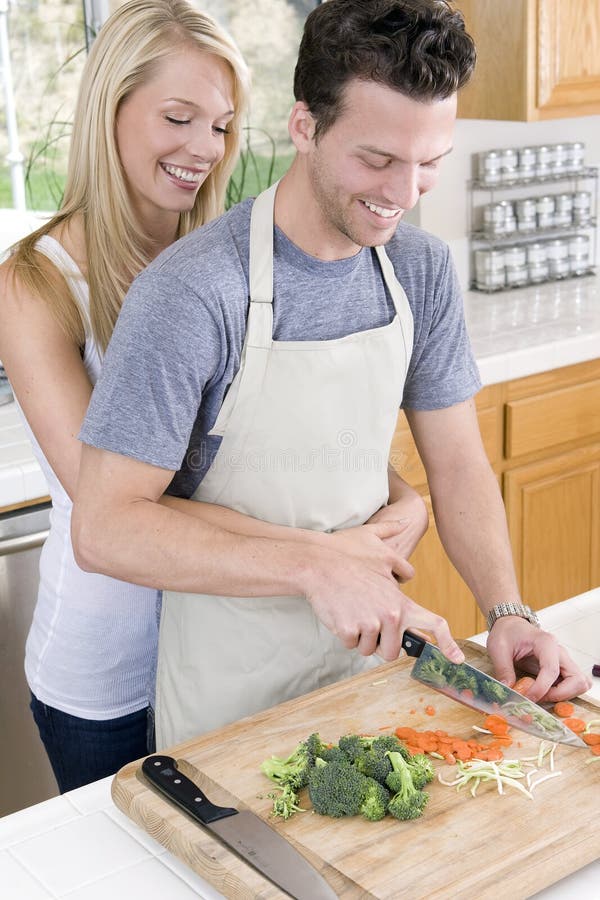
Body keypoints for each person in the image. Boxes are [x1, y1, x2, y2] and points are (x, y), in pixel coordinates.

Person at [72, 0, 591, 750]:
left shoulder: (421, 269)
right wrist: (316, 568)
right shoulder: (192, 292)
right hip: (232, 699)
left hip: (377, 677)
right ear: (306, 126)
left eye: (429, 164)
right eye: (378, 160)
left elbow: (460, 465)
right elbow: (106, 525)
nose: (404, 194)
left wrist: (508, 611)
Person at [0, 0, 251, 791]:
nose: (204, 149)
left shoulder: (225, 266)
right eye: (178, 117)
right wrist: (316, 555)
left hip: (226, 654)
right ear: (109, 110)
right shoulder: (36, 284)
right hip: (107, 681)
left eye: (220, 125)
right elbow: (107, 504)